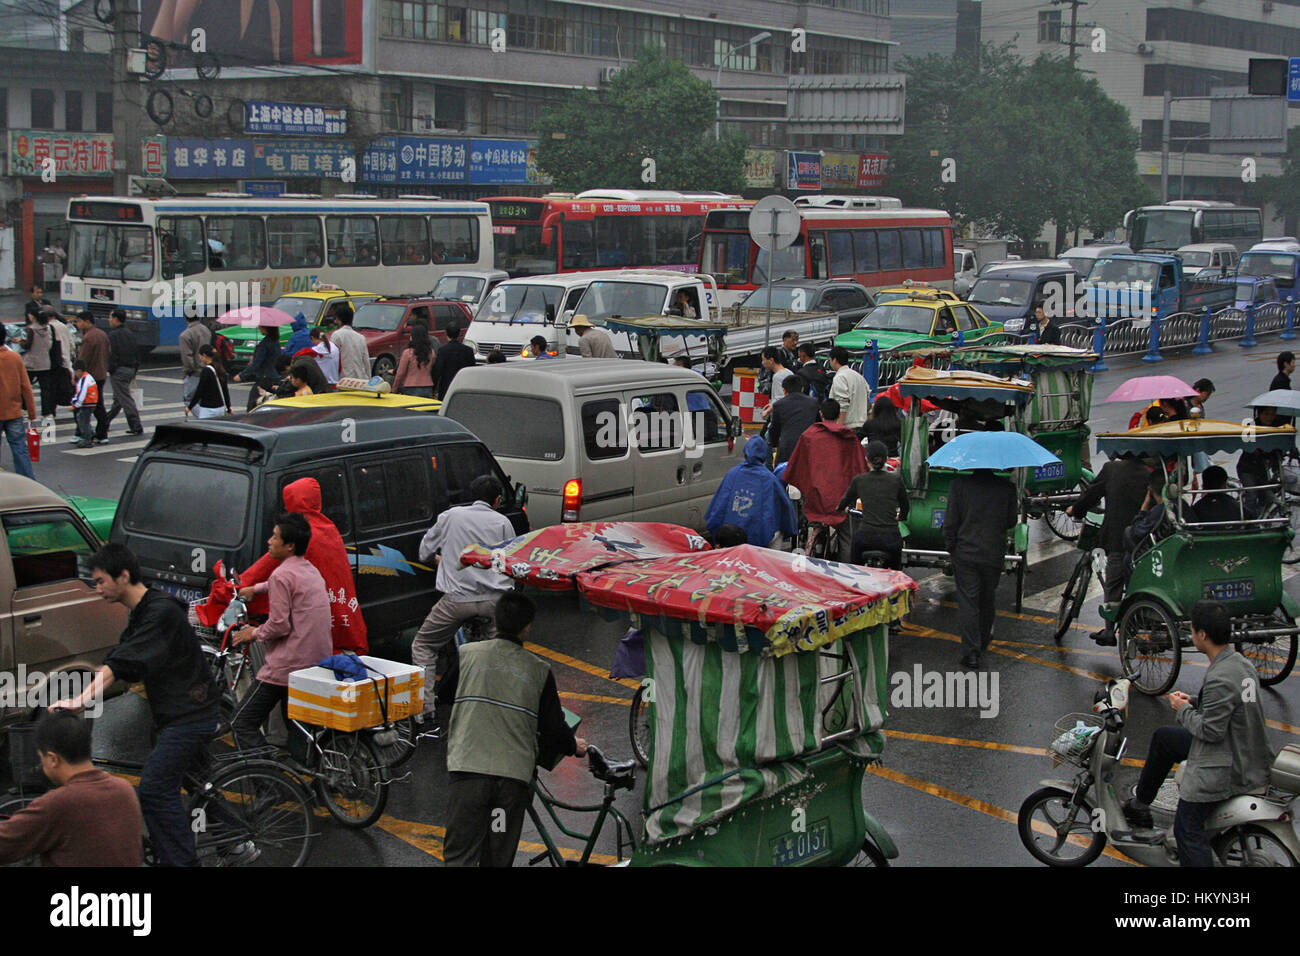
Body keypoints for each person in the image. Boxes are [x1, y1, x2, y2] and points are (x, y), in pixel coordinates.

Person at [52, 543, 221, 867]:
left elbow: (124, 661)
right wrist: (85, 694)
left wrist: (82, 700)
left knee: (156, 790)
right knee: (200, 782)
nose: (97, 587)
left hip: (189, 715)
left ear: (123, 576)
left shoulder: (160, 612)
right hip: (175, 711)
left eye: (100, 580)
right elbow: (121, 656)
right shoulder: (144, 609)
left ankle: (182, 862)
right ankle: (238, 844)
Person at [1121, 601, 1273, 866]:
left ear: (1202, 635)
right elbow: (1230, 706)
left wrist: (1182, 710)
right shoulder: (1240, 664)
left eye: (1192, 630)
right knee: (1164, 739)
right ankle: (1140, 807)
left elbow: (1210, 731)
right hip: (1244, 746)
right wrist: (1193, 701)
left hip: (1226, 762)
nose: (1191, 635)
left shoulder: (1219, 677)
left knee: (1186, 830)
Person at [442, 592, 587, 867]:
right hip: (509, 784)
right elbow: (555, 730)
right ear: (528, 627)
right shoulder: (538, 670)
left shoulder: (467, 655)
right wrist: (573, 746)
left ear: (496, 619)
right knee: (497, 854)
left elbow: (445, 693)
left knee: (459, 856)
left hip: (468, 775)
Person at [411, 475, 516, 724]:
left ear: (472, 495)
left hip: (456, 601)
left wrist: (441, 559)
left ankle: (424, 711)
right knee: (501, 652)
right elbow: (508, 561)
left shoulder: (451, 516)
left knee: (423, 645)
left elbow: (424, 552)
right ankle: (502, 707)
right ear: (497, 500)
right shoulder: (503, 522)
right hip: (495, 602)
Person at [229, 513, 333, 764]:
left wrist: (252, 634)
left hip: (287, 665)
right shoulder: (310, 570)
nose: (269, 541)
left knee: (241, 722)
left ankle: (267, 780)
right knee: (297, 728)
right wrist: (256, 589)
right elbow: (282, 583)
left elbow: (278, 625)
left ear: (290, 546)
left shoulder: (281, 576)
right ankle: (309, 778)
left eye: (274, 537)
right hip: (315, 662)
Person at [237, 477, 368, 655]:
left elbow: (267, 566)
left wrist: (242, 584)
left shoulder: (300, 534)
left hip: (311, 627)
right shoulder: (328, 528)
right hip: (340, 612)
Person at [0, 711, 143, 867]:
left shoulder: (59, 803)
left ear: (53, 759)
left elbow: (5, 844)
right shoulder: (124, 789)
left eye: (41, 759)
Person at [1066, 454, 1154, 645]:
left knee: (1113, 583)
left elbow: (1091, 495)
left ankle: (1108, 630)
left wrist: (1076, 509)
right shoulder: (1149, 474)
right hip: (1143, 540)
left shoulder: (1111, 469)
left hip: (1117, 538)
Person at [944, 467, 1018, 668]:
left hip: (965, 552)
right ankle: (983, 641)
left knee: (968, 601)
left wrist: (951, 546)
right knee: (987, 598)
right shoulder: (1007, 488)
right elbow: (1011, 521)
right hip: (993, 552)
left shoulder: (958, 485)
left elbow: (950, 521)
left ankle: (971, 652)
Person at [784, 399, 869, 553]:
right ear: (839, 415)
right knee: (847, 534)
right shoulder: (849, 437)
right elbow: (859, 468)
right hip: (840, 499)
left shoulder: (809, 436)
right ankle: (846, 570)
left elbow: (797, 467)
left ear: (821, 414)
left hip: (815, 497)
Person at [705, 435, 798, 548]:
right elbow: (784, 511)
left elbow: (718, 508)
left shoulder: (733, 474)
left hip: (730, 539)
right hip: (760, 542)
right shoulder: (769, 479)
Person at [839, 440, 909, 570]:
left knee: (855, 566)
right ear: (886, 459)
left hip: (865, 537)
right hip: (890, 538)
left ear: (867, 459)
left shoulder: (859, 480)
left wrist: (842, 509)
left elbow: (844, 501)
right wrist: (901, 516)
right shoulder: (895, 480)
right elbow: (905, 505)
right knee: (895, 570)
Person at [0, 325, 37, 480]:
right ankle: (29, 482)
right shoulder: (15, 357)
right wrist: (31, 412)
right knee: (20, 449)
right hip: (14, 412)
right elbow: (26, 386)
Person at [1238, 406, 1284, 516]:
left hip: (1262, 469)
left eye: (1272, 414)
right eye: (1266, 414)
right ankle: (1247, 523)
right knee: (1252, 495)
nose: (1269, 417)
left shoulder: (1277, 427)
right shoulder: (1251, 427)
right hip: (1247, 468)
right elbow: (1248, 446)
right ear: (1259, 413)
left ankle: (1260, 518)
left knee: (1266, 496)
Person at [105, 309, 144, 436]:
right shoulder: (130, 333)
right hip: (131, 368)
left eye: (110, 318)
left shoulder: (113, 335)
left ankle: (136, 425)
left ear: (116, 319)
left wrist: (111, 369)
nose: (109, 320)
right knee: (118, 398)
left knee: (124, 398)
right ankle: (105, 422)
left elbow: (112, 354)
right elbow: (137, 352)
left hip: (119, 370)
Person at [73, 311, 110, 443]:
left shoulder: (88, 337)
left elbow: (83, 360)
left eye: (79, 321)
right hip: (101, 374)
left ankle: (81, 433)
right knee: (99, 404)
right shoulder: (102, 334)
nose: (77, 324)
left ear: (87, 321)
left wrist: (77, 376)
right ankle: (102, 434)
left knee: (82, 405)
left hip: (89, 377)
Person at [766, 376, 820, 465]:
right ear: (802, 389)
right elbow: (818, 424)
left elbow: (774, 429)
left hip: (787, 449)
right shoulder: (813, 403)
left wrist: (774, 444)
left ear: (784, 391)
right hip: (808, 448)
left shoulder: (779, 405)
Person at [234, 325, 282, 411]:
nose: (259, 328)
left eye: (261, 327)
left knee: (253, 405)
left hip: (264, 378)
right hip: (275, 377)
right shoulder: (276, 342)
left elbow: (256, 363)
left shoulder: (264, 344)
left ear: (267, 328)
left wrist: (242, 375)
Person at [22, 309, 55, 420]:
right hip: (45, 362)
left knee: (26, 387)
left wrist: (20, 341)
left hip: (31, 363)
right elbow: (50, 345)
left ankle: (25, 408)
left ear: (34, 317)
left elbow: (27, 345)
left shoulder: (31, 329)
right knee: (45, 389)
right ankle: (47, 412)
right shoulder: (48, 328)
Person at [431, 321, 477, 399]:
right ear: (459, 334)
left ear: (446, 333)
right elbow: (472, 369)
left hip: (446, 386)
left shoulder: (443, 350)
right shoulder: (468, 350)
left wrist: (434, 387)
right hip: (463, 386)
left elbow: (438, 370)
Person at [185, 344, 231, 419]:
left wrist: (190, 407)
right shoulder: (220, 368)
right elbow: (225, 390)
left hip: (208, 409)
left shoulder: (206, 370)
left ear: (204, 355)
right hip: (220, 408)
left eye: (200, 356)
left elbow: (200, 391)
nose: (200, 358)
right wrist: (228, 408)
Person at [828, 346, 869, 431]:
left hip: (848, 426)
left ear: (834, 360)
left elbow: (842, 403)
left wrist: (838, 428)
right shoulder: (859, 376)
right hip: (862, 424)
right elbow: (868, 393)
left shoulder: (840, 377)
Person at [178, 312, 212, 406]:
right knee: (203, 398)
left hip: (194, 373)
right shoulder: (206, 330)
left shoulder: (185, 335)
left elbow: (187, 357)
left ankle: (202, 417)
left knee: (189, 400)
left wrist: (190, 371)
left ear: (186, 318)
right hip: (207, 369)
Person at [393, 323, 436, 397]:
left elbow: (400, 374)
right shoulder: (431, 352)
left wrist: (394, 389)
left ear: (412, 337)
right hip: (428, 387)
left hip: (410, 387)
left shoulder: (408, 353)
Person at [330, 305, 371, 381]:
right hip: (360, 380)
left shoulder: (337, 335)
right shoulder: (361, 337)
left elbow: (333, 359)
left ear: (339, 319)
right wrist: (368, 379)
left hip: (344, 381)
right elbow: (366, 362)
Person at [70, 359, 99, 447]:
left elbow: (81, 393)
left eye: (75, 372)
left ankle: (87, 439)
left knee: (83, 421)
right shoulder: (88, 377)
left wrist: (75, 405)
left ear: (79, 371)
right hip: (91, 402)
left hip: (87, 403)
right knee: (83, 419)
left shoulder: (84, 379)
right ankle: (89, 434)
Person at [759, 347, 793, 420]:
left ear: (771, 360)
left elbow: (779, 398)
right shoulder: (789, 372)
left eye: (763, 359)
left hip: (781, 417)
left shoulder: (777, 377)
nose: (762, 362)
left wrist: (768, 410)